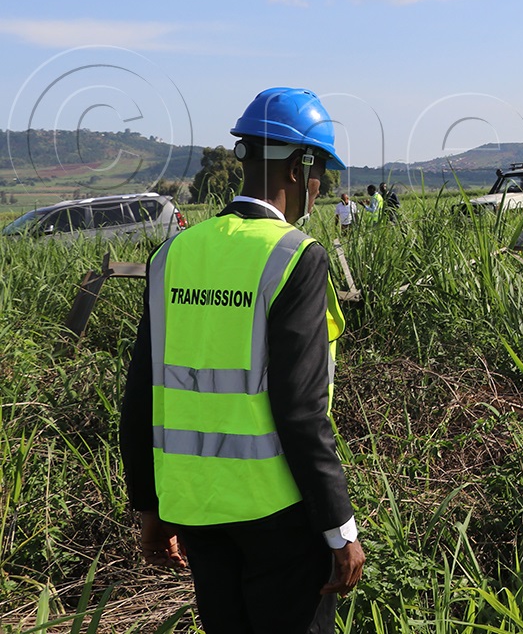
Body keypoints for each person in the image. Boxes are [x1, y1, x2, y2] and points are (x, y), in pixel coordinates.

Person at [119, 87, 364, 632]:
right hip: (276, 512)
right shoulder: (295, 255)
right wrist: (339, 529)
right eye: (321, 170)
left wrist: (151, 506)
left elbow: (141, 393)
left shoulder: (173, 254)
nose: (321, 188)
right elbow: (301, 410)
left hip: (196, 509)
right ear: (300, 167)